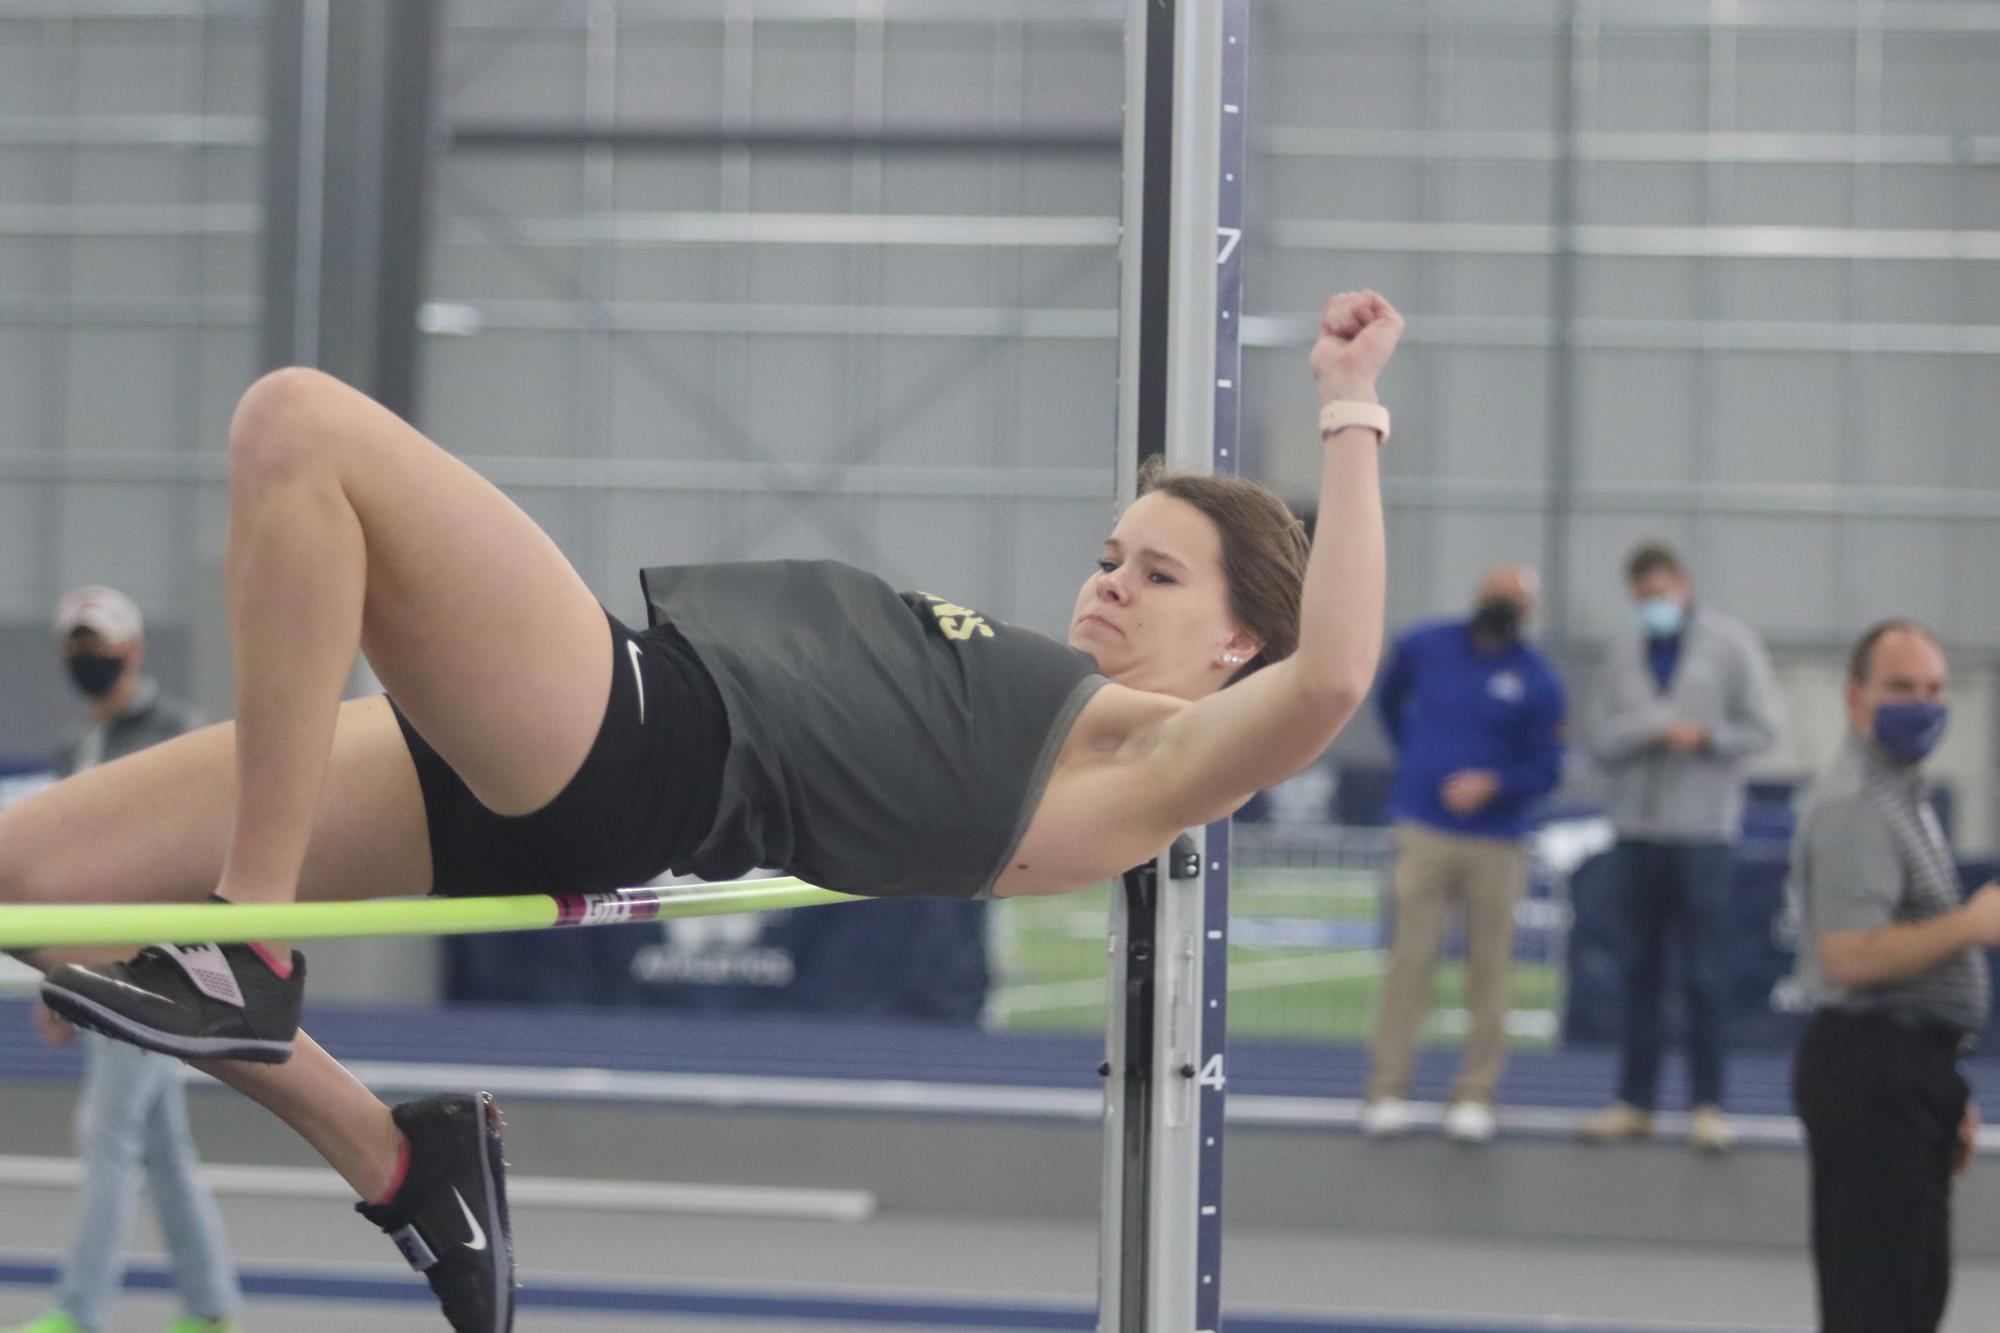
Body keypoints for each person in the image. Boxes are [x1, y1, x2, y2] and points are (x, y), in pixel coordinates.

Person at [0, 290, 1402, 1333]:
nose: (1105, 583)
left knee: (297, 421)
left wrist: (1349, 406)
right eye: (1110, 554)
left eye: (1156, 578)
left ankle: (251, 939)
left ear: (1236, 651)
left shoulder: (1145, 768)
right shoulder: (1057, 706)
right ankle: (397, 1153)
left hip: (635, 735)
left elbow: (1334, 676)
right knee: (30, 878)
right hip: (561, 755)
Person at [7, 587, 242, 1333]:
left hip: (156, 965)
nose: (89, 657)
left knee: (107, 1134)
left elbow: (189, 859)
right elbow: (66, 878)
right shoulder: (76, 747)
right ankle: (210, 1305)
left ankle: (81, 1307)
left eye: (99, 642)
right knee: (161, 1144)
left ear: (134, 648)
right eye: (76, 645)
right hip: (97, 964)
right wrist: (58, 975)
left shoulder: (179, 734)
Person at [1790, 620, 1997, 1333]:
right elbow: (1849, 955)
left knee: (1910, 1297)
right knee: (1878, 1308)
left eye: (1935, 688)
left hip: (1908, 1071)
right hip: (1872, 1069)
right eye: (1902, 687)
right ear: (1856, 698)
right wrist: (1970, 924)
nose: (1923, 702)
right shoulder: (1855, 803)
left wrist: (1943, 1086)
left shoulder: (1902, 792)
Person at [1577, 542, 1781, 1152]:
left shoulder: (1732, 645)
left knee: (1705, 974)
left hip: (1704, 836)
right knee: (1639, 971)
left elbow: (1763, 727)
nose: (1653, 607)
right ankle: (1635, 1101)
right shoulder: (1622, 654)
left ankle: (1707, 1104)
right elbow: (1602, 740)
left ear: (1684, 586)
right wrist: (1650, 727)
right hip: (1637, 832)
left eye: (1662, 594)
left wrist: (1706, 736)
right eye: (1642, 599)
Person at [1361, 565, 1565, 1143]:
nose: (1502, 606)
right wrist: (1420, 760)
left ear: (1527, 611)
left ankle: (1476, 1092)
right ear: (1477, 596)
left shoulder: (1537, 680)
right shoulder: (1425, 647)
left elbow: (1547, 768)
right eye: (1495, 596)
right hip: (1423, 827)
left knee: (1489, 967)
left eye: (1514, 600)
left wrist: (1494, 784)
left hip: (1495, 840)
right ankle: (1387, 1087)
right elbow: (1390, 703)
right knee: (1410, 959)